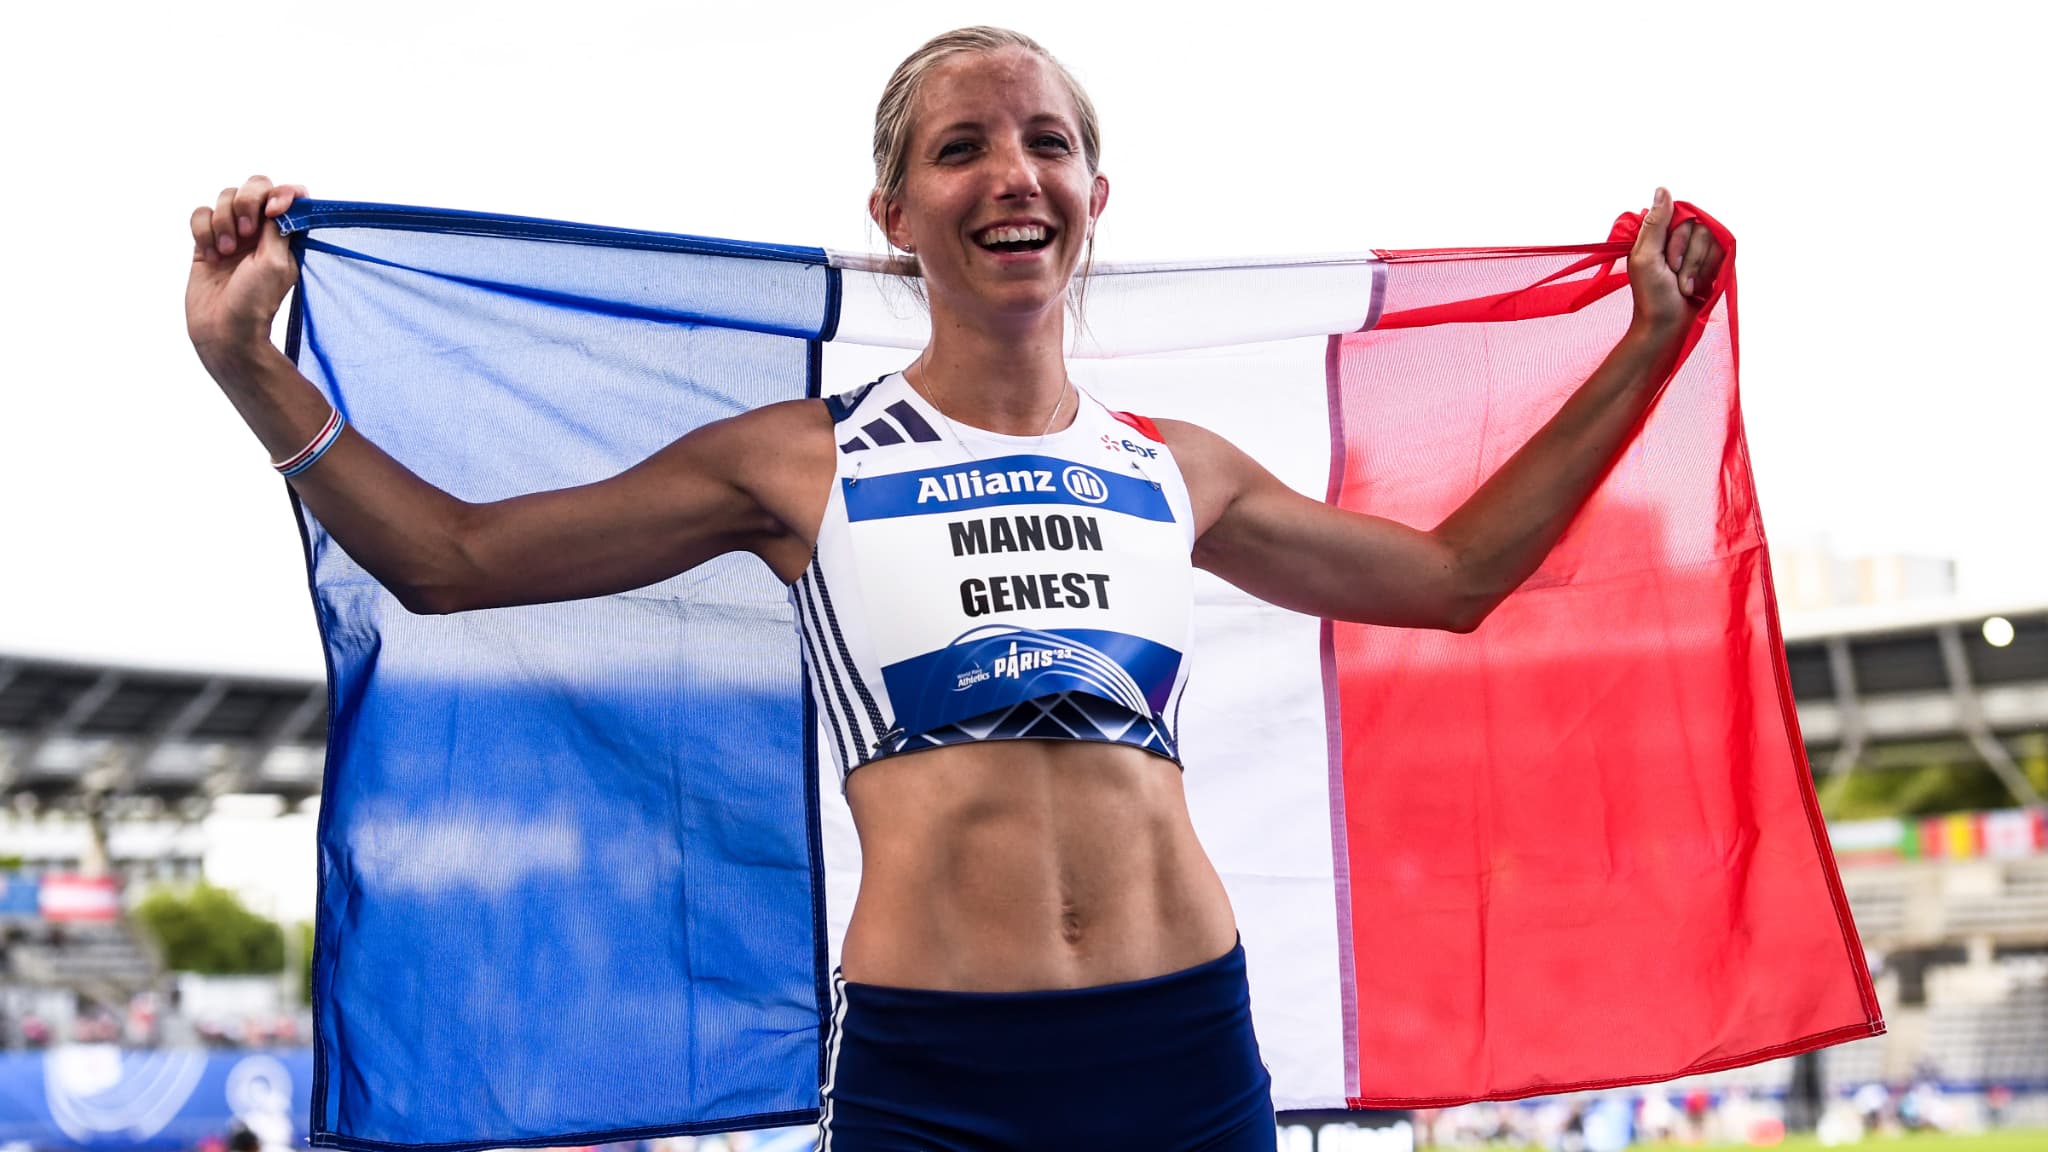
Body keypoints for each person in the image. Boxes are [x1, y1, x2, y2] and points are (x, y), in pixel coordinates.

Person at [185, 26, 1722, 1152]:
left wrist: (1643, 351)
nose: (1014, 174)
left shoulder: (1179, 463)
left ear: (1097, 195)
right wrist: (246, 366)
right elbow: (449, 564)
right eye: (963, 146)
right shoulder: (799, 460)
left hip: (1182, 1050)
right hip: (937, 1075)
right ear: (895, 213)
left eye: (1047, 141)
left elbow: (1454, 578)